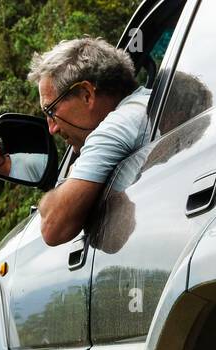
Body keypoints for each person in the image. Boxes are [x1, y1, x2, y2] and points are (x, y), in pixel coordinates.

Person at [27, 37, 150, 246]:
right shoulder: (144, 105)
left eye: (51, 110)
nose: (52, 127)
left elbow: (53, 228)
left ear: (86, 95)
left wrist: (54, 195)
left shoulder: (118, 125)